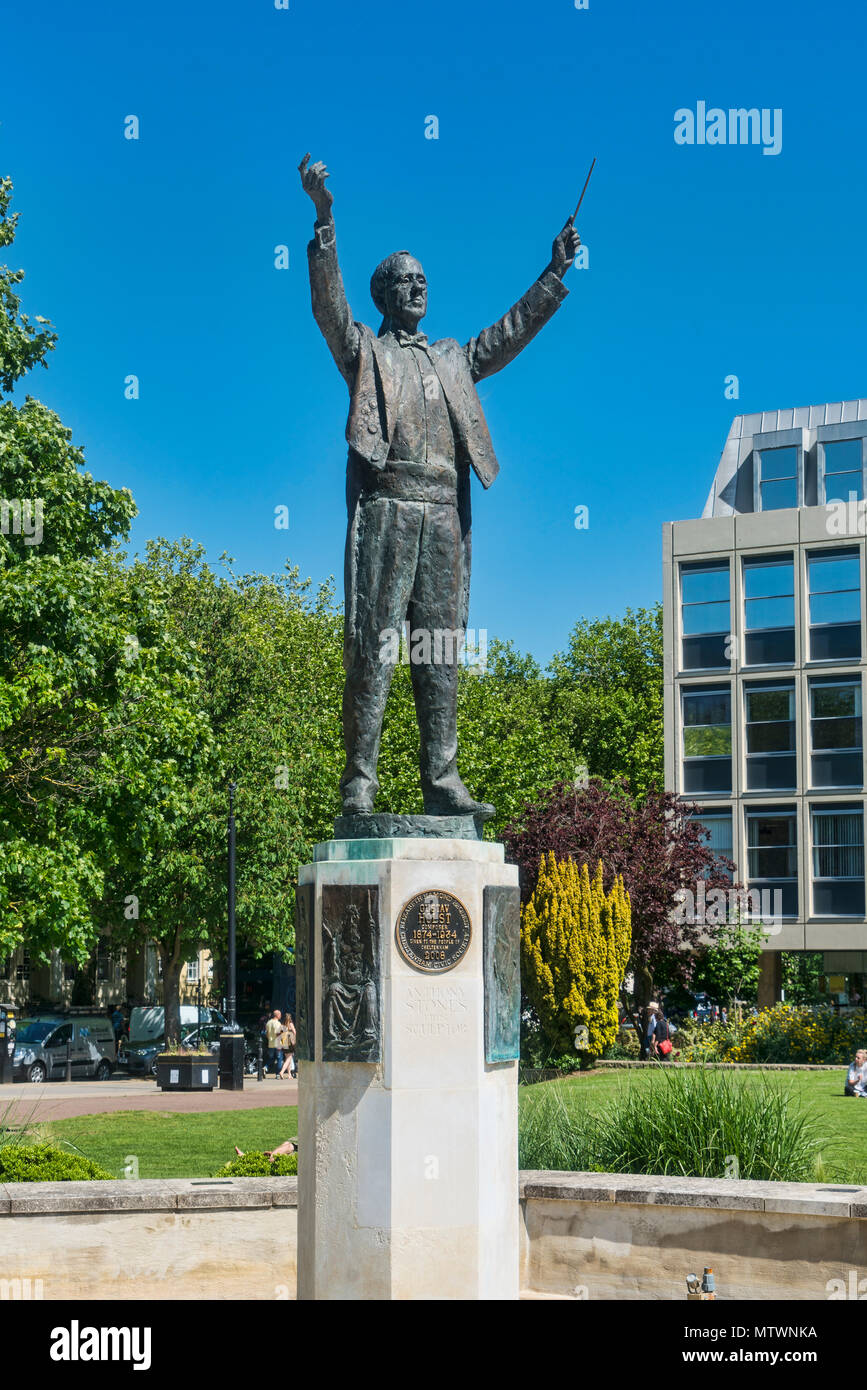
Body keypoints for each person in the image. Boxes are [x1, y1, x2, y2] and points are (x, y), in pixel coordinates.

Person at [300, 154, 580, 819]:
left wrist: (553, 273)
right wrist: (324, 219)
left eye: (423, 278)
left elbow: (507, 336)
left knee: (441, 649)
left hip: (443, 516)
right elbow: (328, 308)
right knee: (374, 644)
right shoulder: (366, 351)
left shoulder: (454, 357)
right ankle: (359, 783)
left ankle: (442, 778)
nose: (418, 287)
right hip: (387, 508)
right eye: (405, 280)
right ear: (384, 294)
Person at [265, 1008, 284, 1077]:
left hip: (270, 1044)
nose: (281, 1016)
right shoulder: (277, 1023)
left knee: (271, 1058)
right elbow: (277, 1033)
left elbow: (266, 1033)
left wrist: (270, 1039)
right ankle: (278, 1074)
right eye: (280, 1014)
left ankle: (265, 1067)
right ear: (277, 1015)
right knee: (279, 1059)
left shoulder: (268, 1022)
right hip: (277, 1044)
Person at [279, 1012, 296, 1079]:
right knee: (289, 1058)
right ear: (290, 1018)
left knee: (287, 1058)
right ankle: (282, 1072)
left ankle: (289, 1074)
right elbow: (295, 1033)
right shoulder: (291, 1024)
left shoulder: (282, 1025)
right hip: (290, 1042)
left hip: (284, 1042)